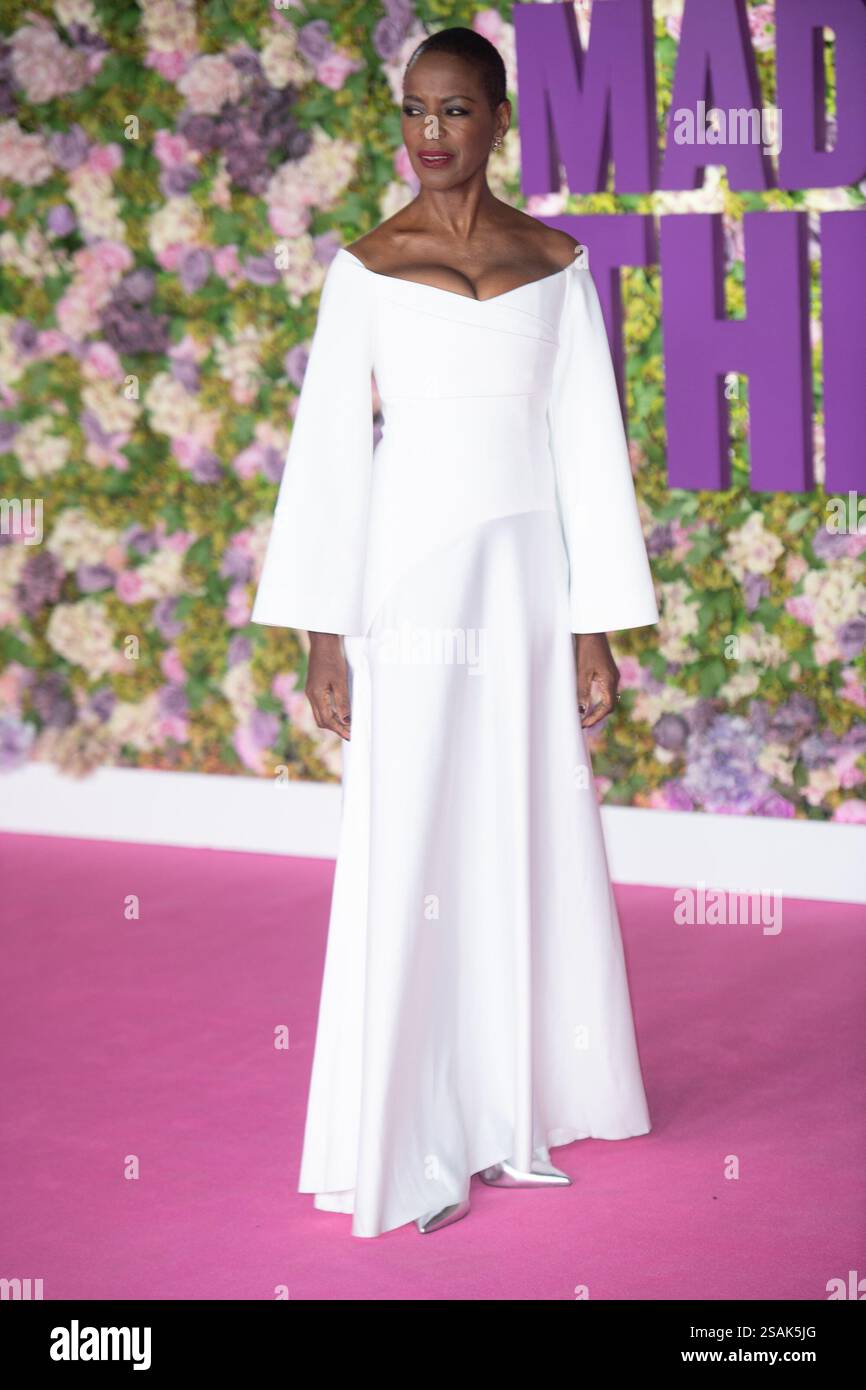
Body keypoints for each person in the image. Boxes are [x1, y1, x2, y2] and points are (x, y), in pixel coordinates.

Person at [251, 26, 659, 1238]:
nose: (432, 134)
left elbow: (589, 452)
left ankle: (507, 1102)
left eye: (456, 112)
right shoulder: (364, 268)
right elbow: (329, 460)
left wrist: (594, 628)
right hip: (409, 590)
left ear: (496, 121)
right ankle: (406, 1128)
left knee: (520, 817)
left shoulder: (558, 265)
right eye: (414, 112)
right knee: (412, 829)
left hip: (527, 583)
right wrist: (326, 632)